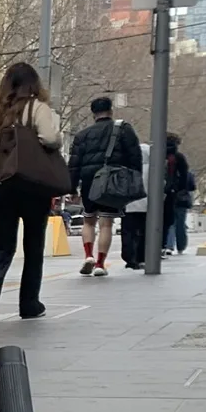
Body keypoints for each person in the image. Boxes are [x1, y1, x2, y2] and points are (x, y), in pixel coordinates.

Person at [0, 61, 64, 322]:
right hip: (31, 185)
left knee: (4, 245)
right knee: (33, 247)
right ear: (34, 84)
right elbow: (49, 138)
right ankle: (29, 303)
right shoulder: (37, 109)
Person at [67, 95, 142, 277]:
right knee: (106, 223)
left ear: (93, 114)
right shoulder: (123, 129)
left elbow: (74, 164)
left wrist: (71, 187)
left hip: (89, 181)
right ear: (110, 111)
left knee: (88, 220)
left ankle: (87, 256)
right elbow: (135, 156)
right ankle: (100, 264)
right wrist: (132, 178)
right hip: (112, 180)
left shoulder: (82, 135)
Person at [164, 134, 195, 255]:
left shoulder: (159, 154)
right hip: (180, 195)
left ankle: (168, 245)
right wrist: (181, 189)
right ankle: (181, 246)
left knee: (168, 221)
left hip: (164, 192)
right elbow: (186, 177)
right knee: (180, 223)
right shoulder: (179, 157)